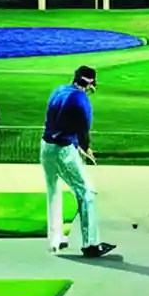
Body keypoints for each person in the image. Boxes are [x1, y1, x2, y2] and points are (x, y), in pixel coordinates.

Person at [41, 65, 116, 258]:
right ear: (91, 82)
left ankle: (55, 239)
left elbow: (55, 118)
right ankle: (91, 244)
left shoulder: (58, 90)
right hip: (63, 148)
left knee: (53, 191)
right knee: (86, 192)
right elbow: (83, 130)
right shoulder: (81, 99)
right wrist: (86, 149)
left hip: (46, 146)